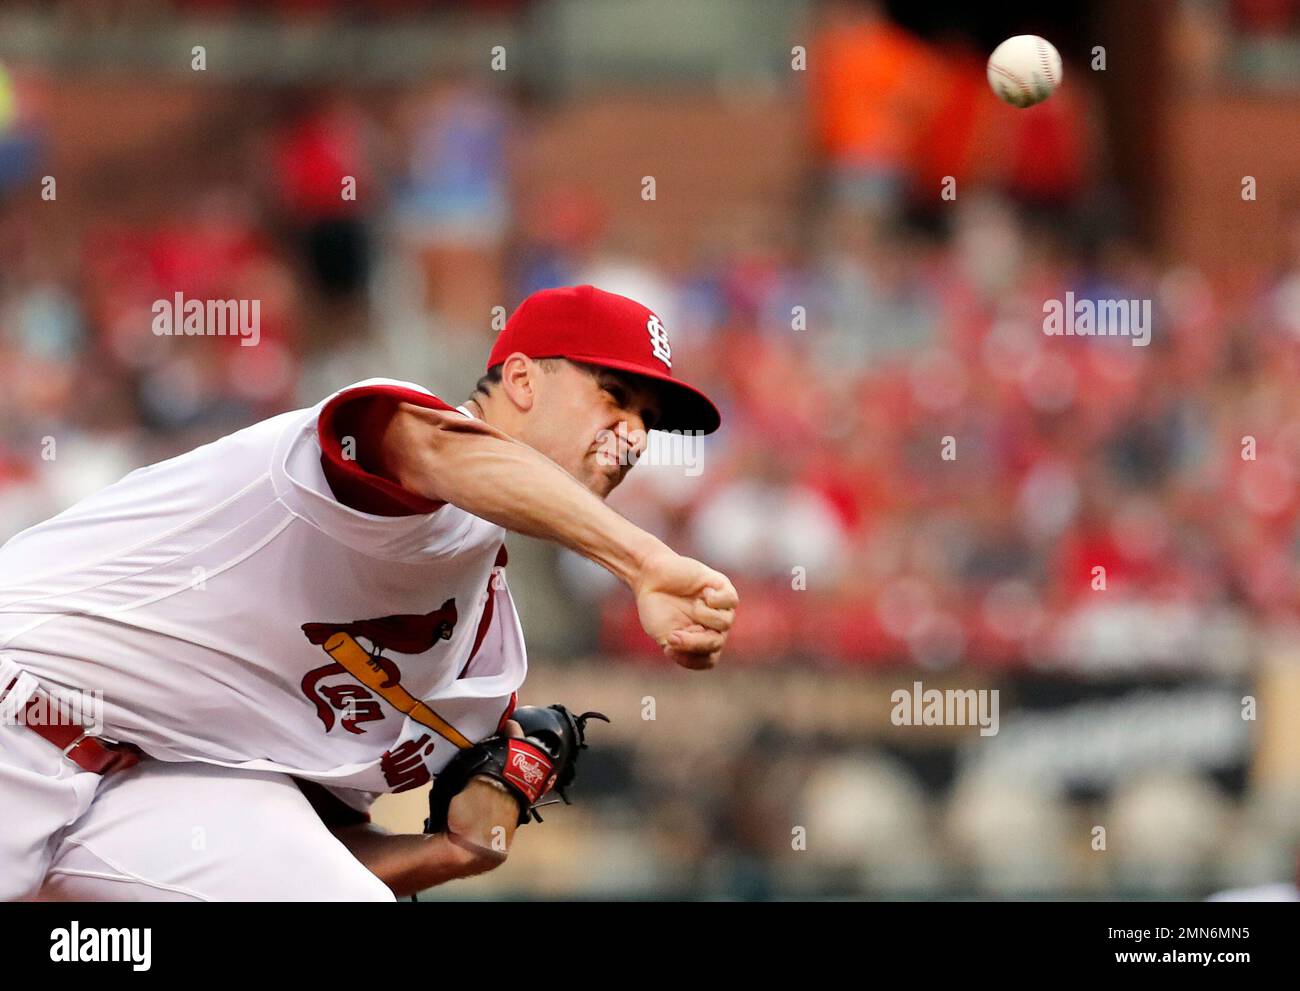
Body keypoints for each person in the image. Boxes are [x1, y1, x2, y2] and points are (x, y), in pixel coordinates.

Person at [0, 284, 738, 900]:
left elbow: (310, 854)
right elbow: (434, 451)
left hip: (137, 789)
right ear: (519, 379)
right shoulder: (398, 442)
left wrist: (452, 850)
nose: (633, 436)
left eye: (647, 421)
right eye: (615, 396)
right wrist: (641, 559)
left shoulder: (483, 666)